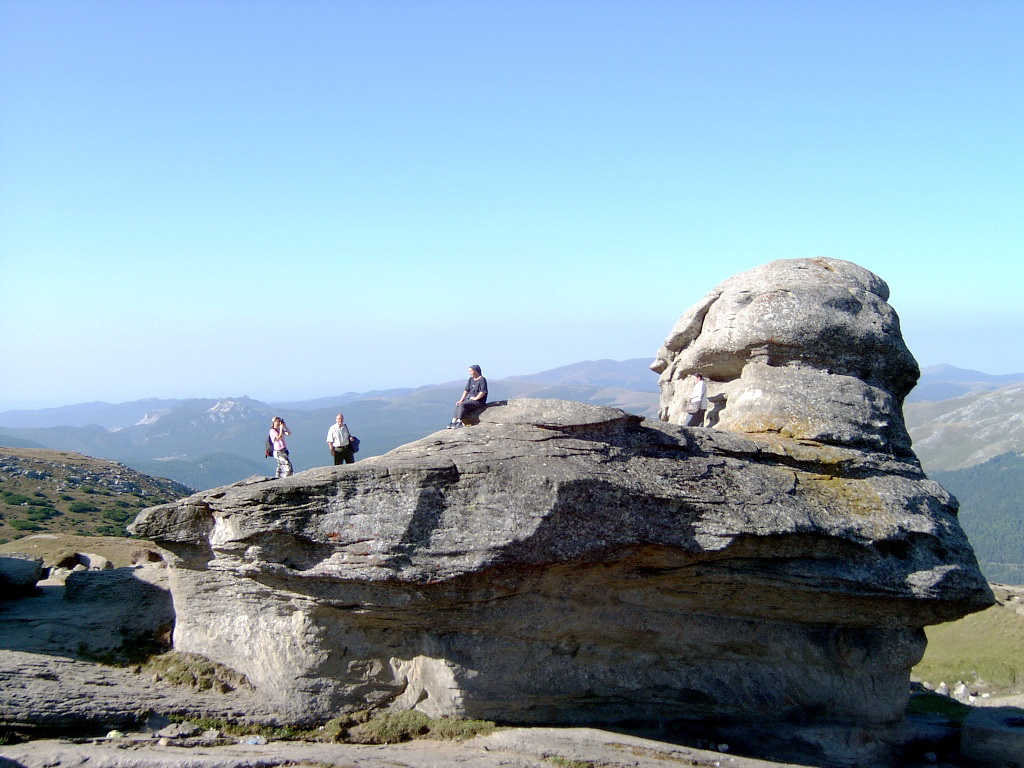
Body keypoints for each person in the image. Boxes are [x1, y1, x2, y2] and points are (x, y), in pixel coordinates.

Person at [447, 365, 488, 429]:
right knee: (459, 404)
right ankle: (453, 421)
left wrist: (475, 398)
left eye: (471, 371)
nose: (469, 373)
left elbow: (483, 392)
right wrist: (461, 400)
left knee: (463, 405)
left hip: (479, 401)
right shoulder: (471, 379)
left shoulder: (482, 379)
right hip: (470, 399)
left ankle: (459, 421)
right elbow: (466, 390)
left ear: (476, 371)